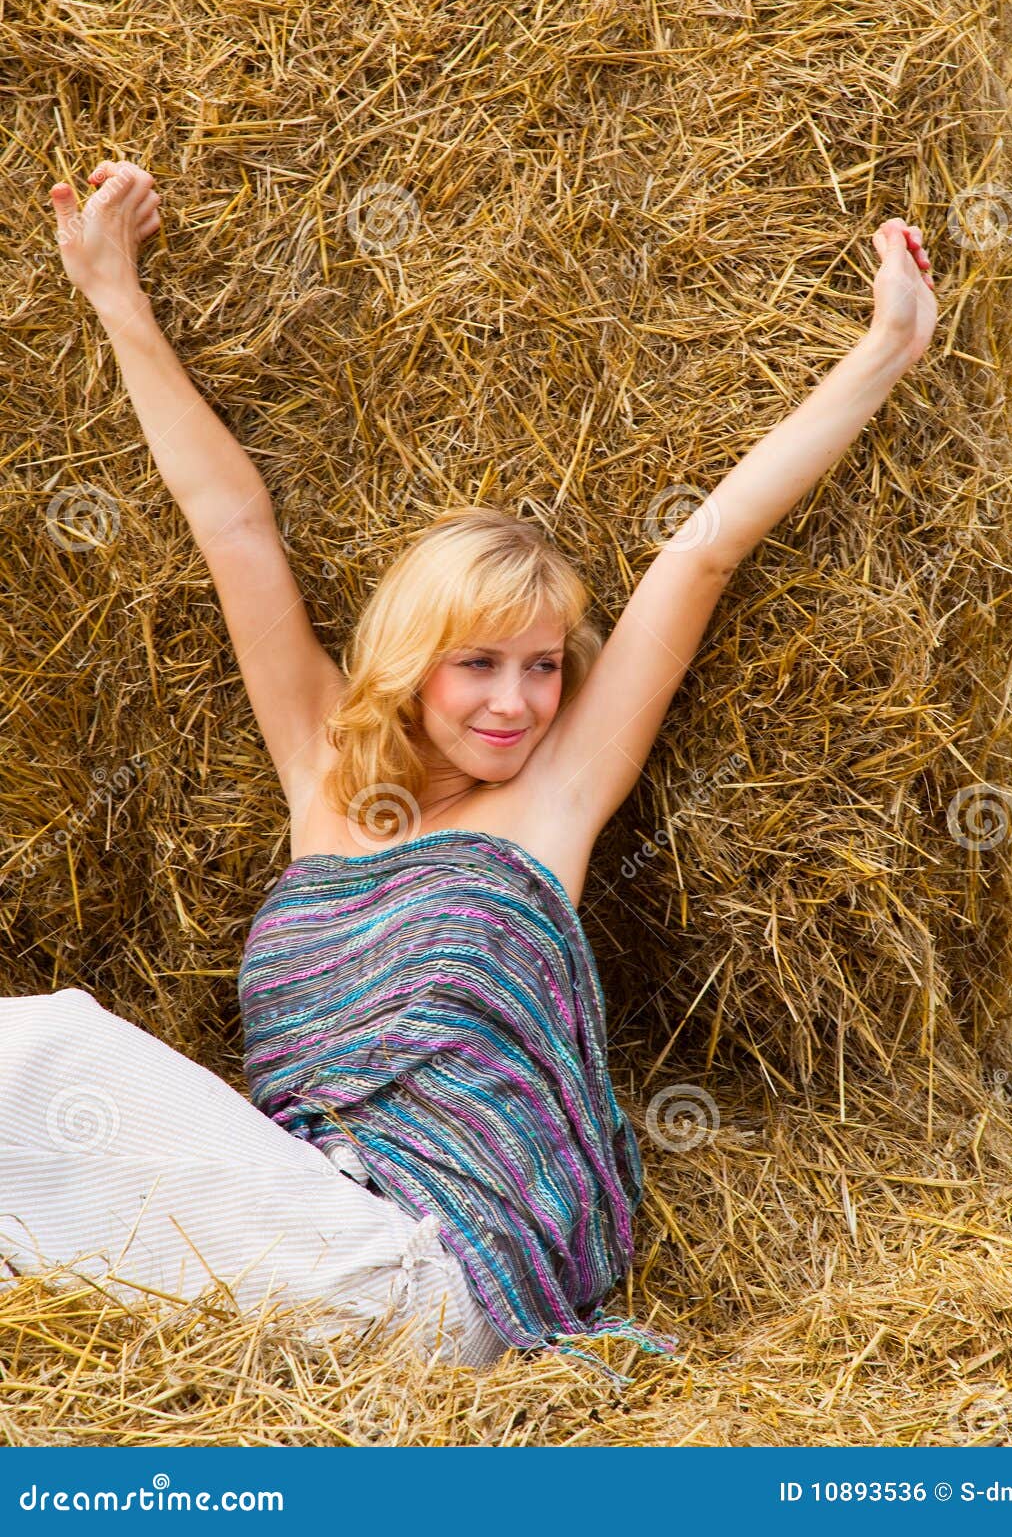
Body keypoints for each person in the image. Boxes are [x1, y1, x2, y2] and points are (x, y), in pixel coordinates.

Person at [0, 161, 936, 1387]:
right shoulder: (323, 773)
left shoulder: (545, 808)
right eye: (477, 663)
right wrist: (113, 289)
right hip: (282, 1249)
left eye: (544, 667)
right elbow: (231, 524)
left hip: (426, 1270)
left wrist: (884, 348)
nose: (516, 701)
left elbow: (701, 551)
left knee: (46, 1050)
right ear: (410, 662)